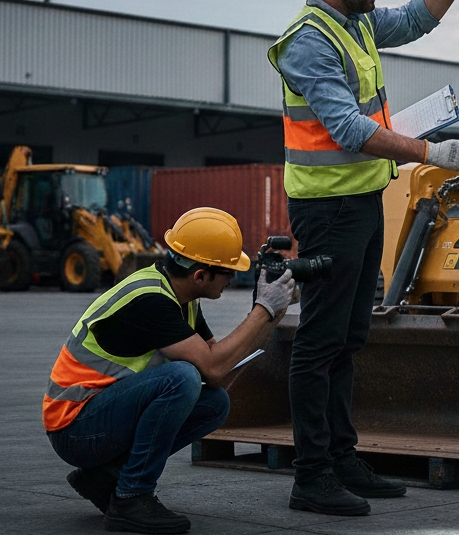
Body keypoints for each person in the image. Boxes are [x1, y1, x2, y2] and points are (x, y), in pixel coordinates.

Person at [266, 0, 459, 517]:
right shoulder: (309, 40)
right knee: (321, 341)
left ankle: (341, 458)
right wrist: (433, 153)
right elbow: (346, 127)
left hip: (360, 203)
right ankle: (311, 475)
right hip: (327, 210)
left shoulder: (356, 22)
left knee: (348, 338)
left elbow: (415, 19)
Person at [43, 207, 296, 534]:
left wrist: (273, 311)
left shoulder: (182, 297)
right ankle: (131, 497)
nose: (233, 278)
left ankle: (106, 477)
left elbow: (219, 364)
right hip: (75, 428)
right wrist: (263, 310)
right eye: (227, 272)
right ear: (200, 276)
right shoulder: (151, 300)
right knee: (182, 378)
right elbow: (212, 367)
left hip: (99, 416)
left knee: (214, 403)